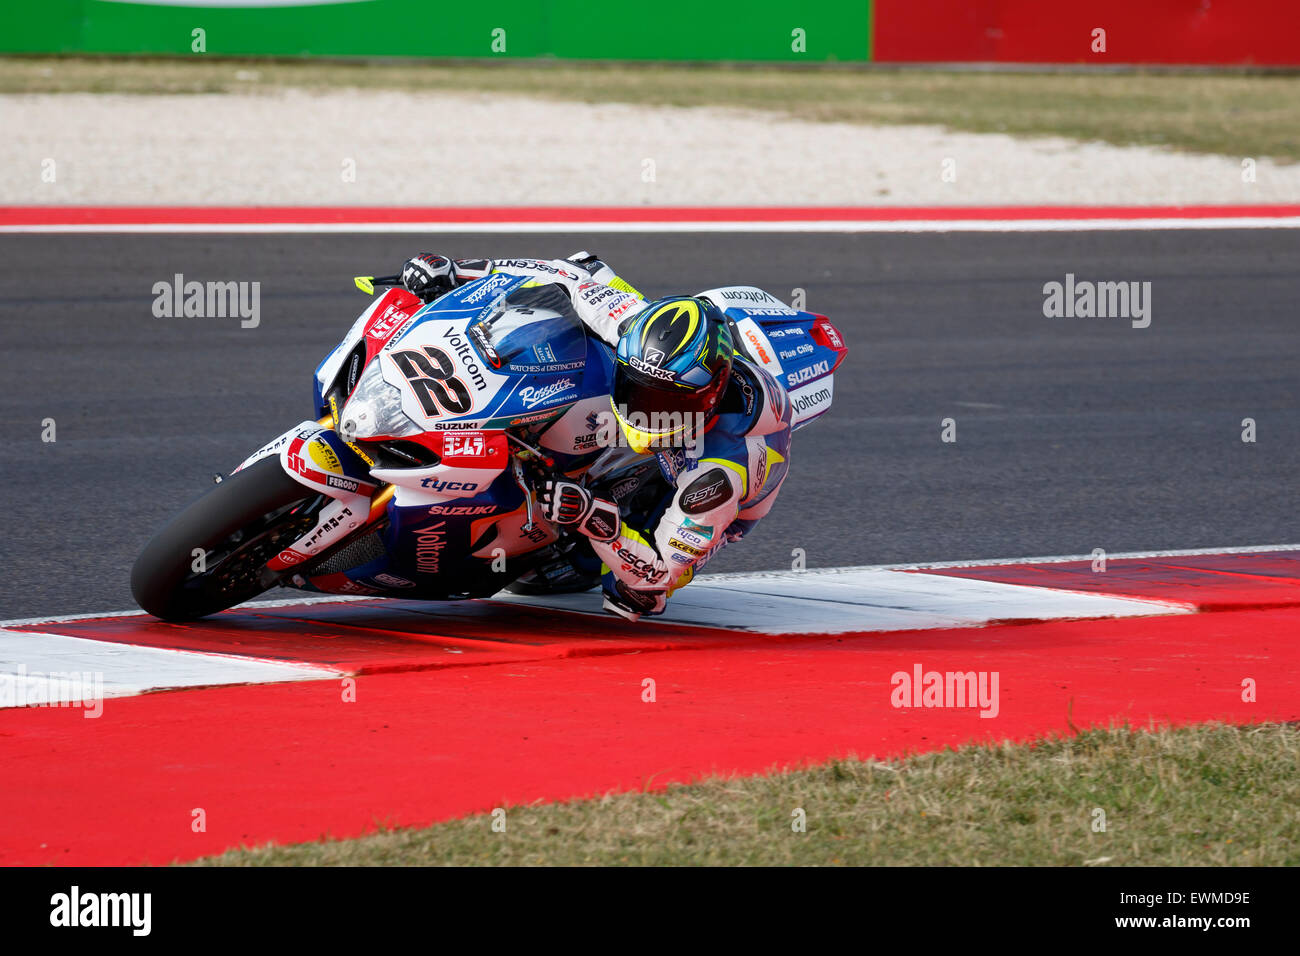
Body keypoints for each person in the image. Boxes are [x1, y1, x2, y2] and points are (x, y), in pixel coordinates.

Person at [398, 252, 792, 620]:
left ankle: (585, 536)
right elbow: (568, 272)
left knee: (629, 597)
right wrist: (455, 270)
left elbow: (654, 579)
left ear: (704, 400)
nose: (644, 409)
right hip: (682, 419)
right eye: (638, 391)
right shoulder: (633, 326)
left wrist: (591, 517)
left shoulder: (713, 483)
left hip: (717, 486)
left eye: (660, 401)